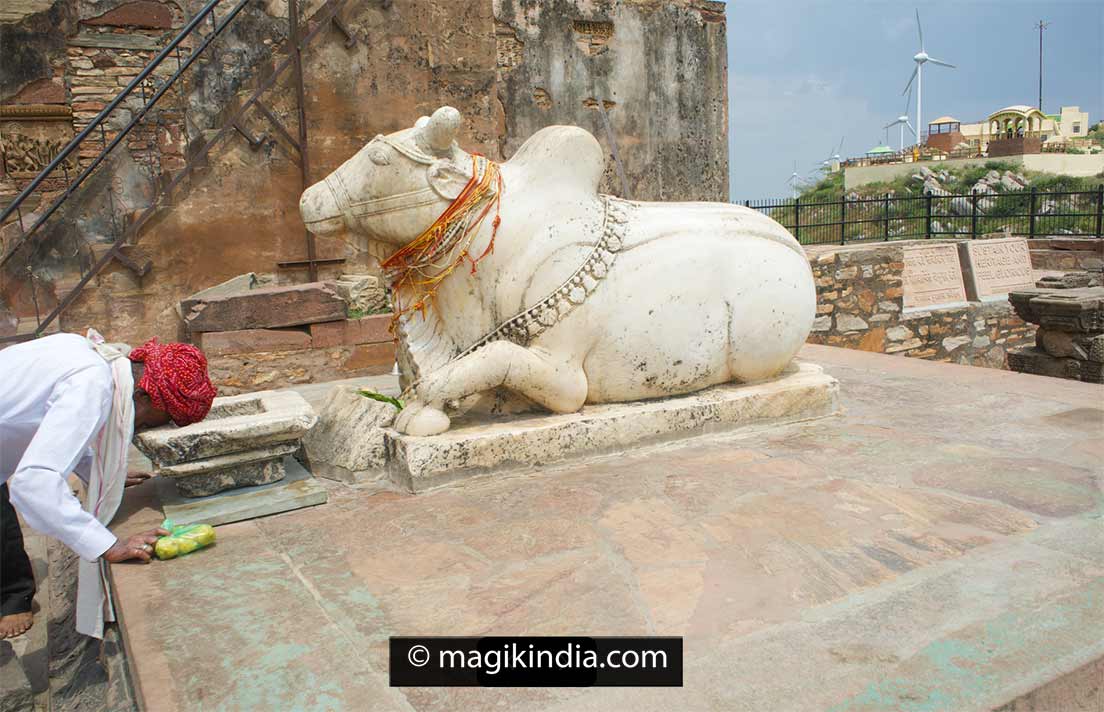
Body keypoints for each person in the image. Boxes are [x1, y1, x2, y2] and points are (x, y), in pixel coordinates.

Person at [0, 331, 217, 639]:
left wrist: (100, 471)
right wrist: (107, 544)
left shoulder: (90, 356)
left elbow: (55, 430)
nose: (140, 428)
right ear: (144, 396)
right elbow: (34, 483)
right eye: (149, 422)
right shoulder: (92, 384)